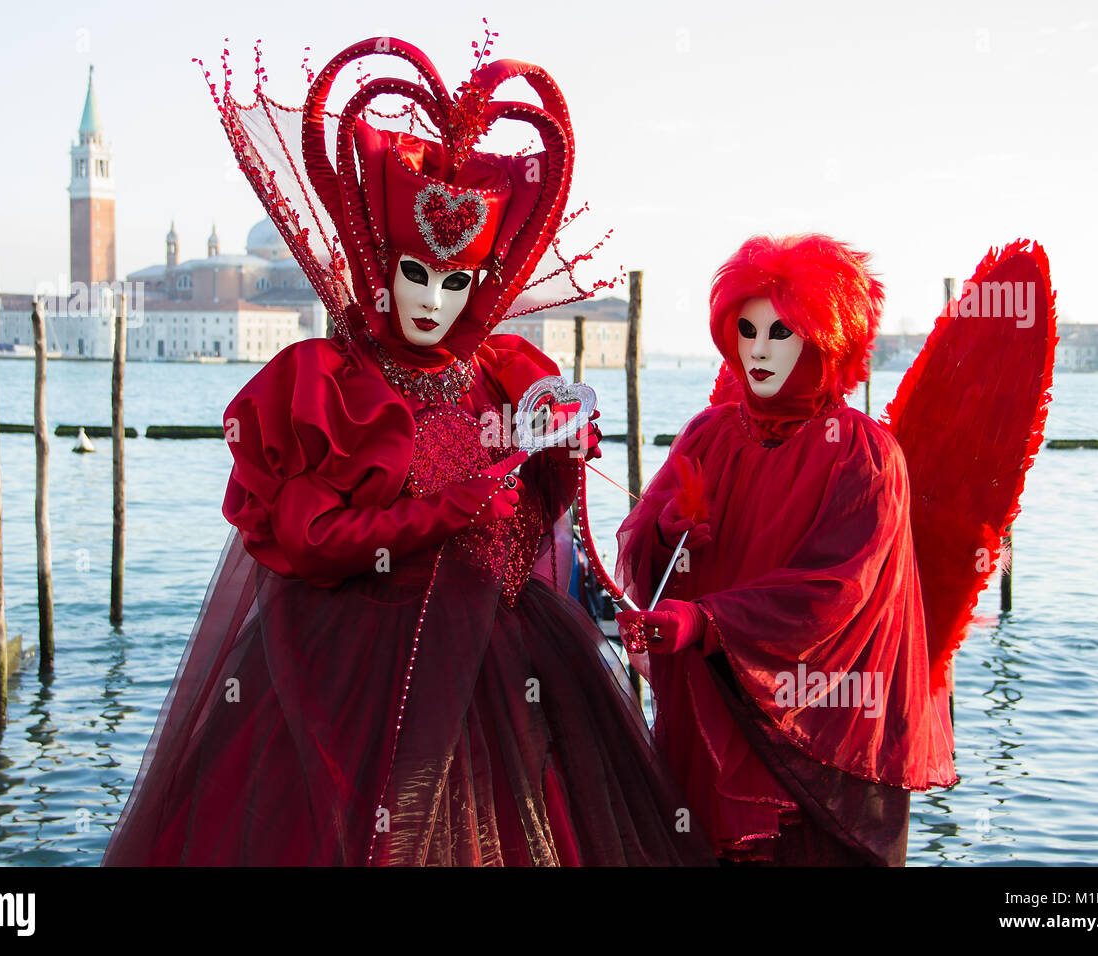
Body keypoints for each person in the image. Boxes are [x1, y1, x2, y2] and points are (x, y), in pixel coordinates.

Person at [102, 36, 713, 866]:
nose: (433, 300)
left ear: (481, 284)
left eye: (455, 282)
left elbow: (539, 525)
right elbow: (313, 540)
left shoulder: (510, 378)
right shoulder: (327, 385)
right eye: (417, 274)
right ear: (384, 266)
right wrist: (451, 506)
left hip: (500, 670)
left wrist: (558, 455)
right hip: (351, 666)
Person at [615, 234, 958, 866]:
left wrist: (705, 620)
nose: (759, 350)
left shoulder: (865, 455)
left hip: (813, 720)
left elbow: (834, 590)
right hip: (710, 702)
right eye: (747, 330)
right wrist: (664, 530)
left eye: (781, 332)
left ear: (826, 340)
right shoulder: (708, 434)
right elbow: (641, 556)